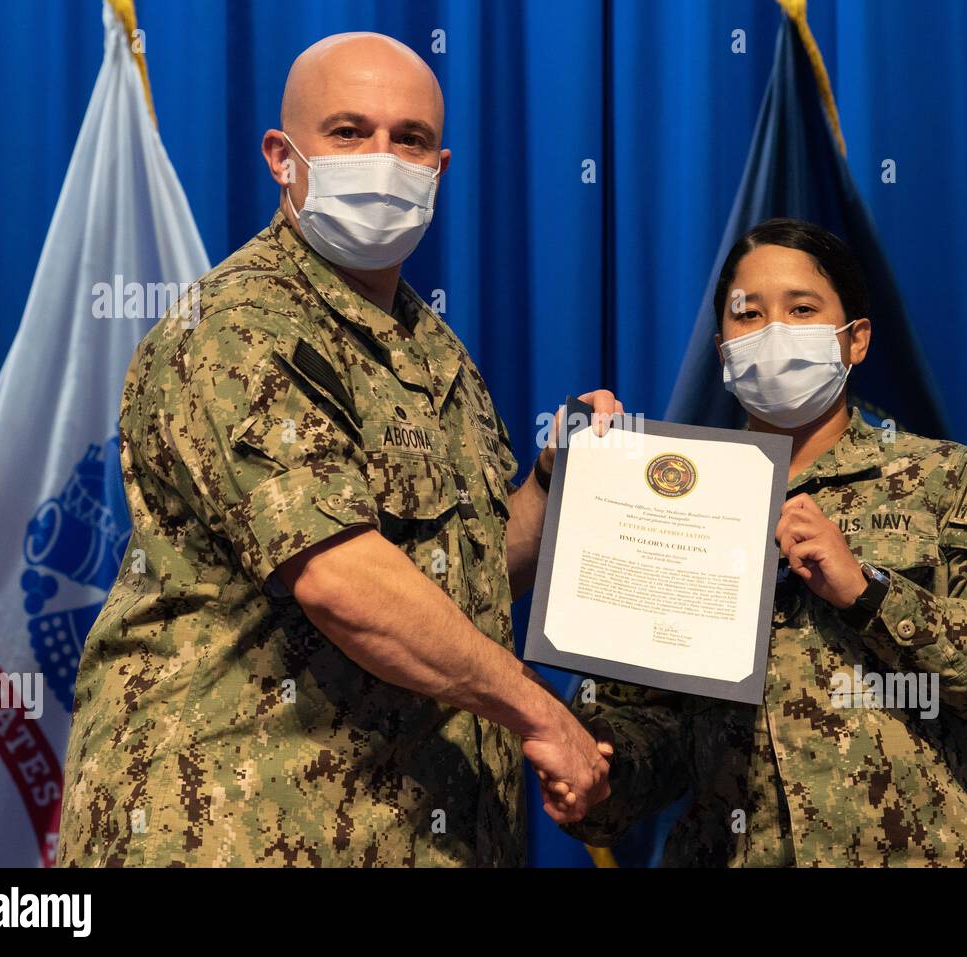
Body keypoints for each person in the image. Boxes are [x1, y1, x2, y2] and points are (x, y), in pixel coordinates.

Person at [59, 32, 615, 867]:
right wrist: (542, 714)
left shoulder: (434, 349)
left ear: (440, 168)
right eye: (350, 133)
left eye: (410, 140)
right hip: (235, 829)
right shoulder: (239, 326)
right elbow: (342, 578)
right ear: (283, 156)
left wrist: (549, 484)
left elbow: (453, 578)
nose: (383, 159)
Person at [564, 218, 967, 866]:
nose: (774, 331)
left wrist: (874, 595)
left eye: (802, 309)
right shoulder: (675, 499)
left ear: (856, 339)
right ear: (723, 347)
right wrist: (594, 766)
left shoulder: (954, 483)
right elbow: (655, 726)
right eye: (747, 313)